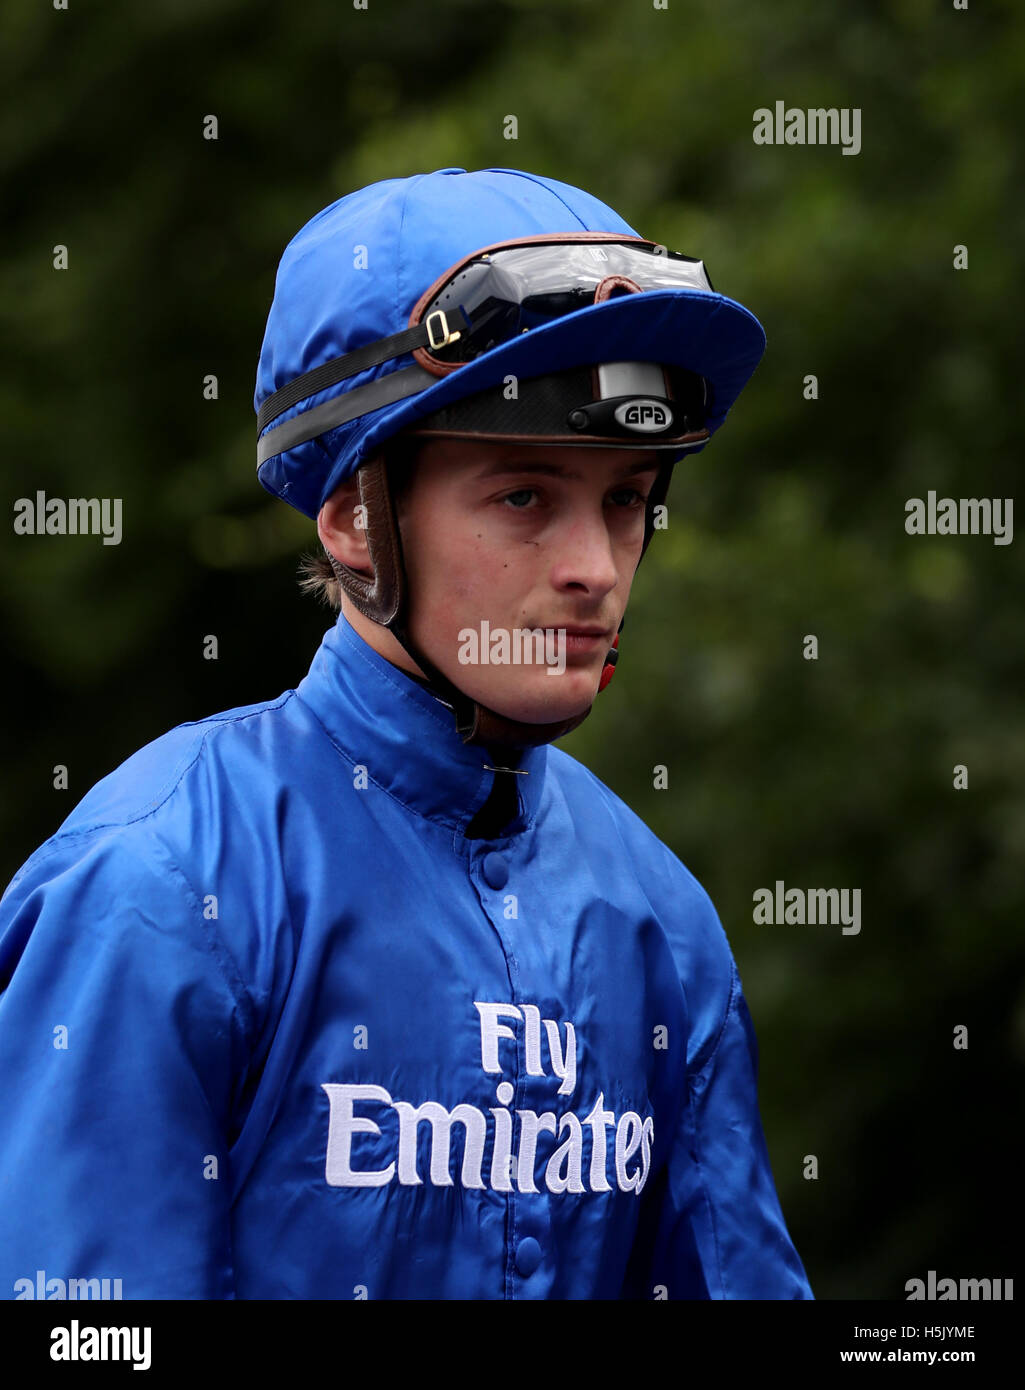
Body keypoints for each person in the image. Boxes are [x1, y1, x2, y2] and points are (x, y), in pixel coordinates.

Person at [0, 167, 812, 1300]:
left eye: (624, 499)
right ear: (353, 522)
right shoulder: (161, 881)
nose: (593, 568)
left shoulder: (663, 926)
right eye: (525, 498)